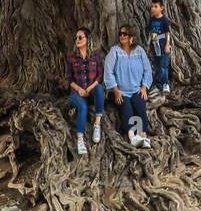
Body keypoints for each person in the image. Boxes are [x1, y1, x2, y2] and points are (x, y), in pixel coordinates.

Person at [103, 23, 153, 148]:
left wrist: (144, 87)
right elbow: (108, 71)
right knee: (126, 107)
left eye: (124, 34)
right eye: (120, 34)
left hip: (136, 90)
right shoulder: (115, 51)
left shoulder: (139, 51)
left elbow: (148, 70)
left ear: (131, 36)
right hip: (120, 91)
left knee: (140, 105)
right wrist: (115, 89)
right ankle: (132, 137)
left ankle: (143, 136)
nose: (122, 36)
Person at [65, 26, 105, 155]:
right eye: (76, 38)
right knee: (83, 106)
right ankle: (80, 140)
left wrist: (89, 88)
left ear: (87, 39)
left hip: (92, 89)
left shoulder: (96, 55)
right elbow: (69, 78)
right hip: (76, 92)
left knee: (99, 88)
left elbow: (100, 76)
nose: (77, 39)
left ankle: (97, 124)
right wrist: (79, 89)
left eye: (80, 37)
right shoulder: (72, 57)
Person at [146, 0, 172, 95]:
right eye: (152, 6)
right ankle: (157, 85)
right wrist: (148, 44)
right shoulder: (151, 20)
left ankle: (165, 83)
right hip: (154, 43)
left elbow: (167, 33)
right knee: (156, 65)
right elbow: (150, 32)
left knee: (163, 65)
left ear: (161, 8)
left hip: (162, 43)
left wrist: (167, 45)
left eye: (155, 6)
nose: (153, 8)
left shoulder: (164, 19)